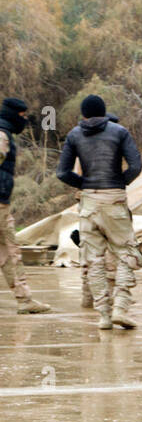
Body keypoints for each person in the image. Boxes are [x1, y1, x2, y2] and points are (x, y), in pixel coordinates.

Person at [56, 95, 142, 330]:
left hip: (88, 203)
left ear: (83, 114)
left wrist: (84, 184)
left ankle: (104, 315)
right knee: (127, 253)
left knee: (93, 261)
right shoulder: (119, 132)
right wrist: (120, 182)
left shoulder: (74, 135)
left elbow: (62, 172)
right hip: (113, 197)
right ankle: (121, 308)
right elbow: (135, 166)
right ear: (104, 112)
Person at [0, 97, 52, 314]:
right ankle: (24, 299)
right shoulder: (2, 134)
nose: (24, 121)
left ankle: (24, 298)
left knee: (7, 253)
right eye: (22, 116)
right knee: (11, 251)